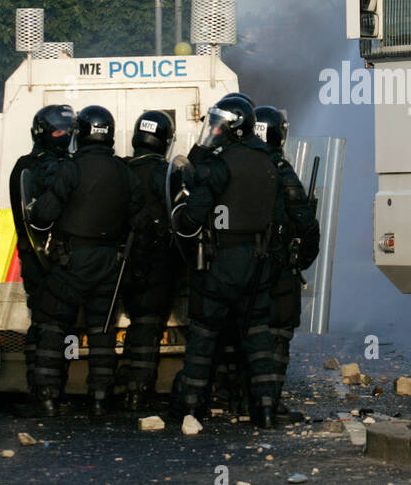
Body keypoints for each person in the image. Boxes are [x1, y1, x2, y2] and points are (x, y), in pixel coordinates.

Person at [170, 95, 283, 428]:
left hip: (221, 262)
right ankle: (264, 408)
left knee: (204, 336)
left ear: (233, 127)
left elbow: (193, 216)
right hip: (258, 261)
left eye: (220, 123)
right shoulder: (268, 163)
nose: (215, 129)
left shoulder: (221, 164)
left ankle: (191, 408)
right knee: (258, 337)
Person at [28, 105, 143, 417]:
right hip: (110, 262)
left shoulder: (71, 168)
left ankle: (50, 397)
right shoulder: (124, 171)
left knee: (54, 327)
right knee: (102, 333)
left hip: (72, 262)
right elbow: (139, 217)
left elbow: (43, 215)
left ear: (80, 134)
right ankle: (100, 397)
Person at [254, 106, 320, 417]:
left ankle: (242, 398)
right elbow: (307, 223)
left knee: (247, 334)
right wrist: (300, 262)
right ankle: (270, 403)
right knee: (278, 335)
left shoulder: (235, 164)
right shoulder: (281, 170)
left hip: (240, 267)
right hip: (279, 268)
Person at [10, 104, 75, 396]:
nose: (64, 136)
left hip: (34, 256)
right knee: (54, 324)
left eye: (68, 131)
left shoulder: (23, 166)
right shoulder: (50, 168)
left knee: (41, 321)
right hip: (48, 255)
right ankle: (50, 386)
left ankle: (36, 383)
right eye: (59, 131)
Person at [118, 110, 180, 411]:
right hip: (157, 261)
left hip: (121, 261)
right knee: (147, 326)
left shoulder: (122, 170)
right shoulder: (165, 174)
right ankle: (138, 389)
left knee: (125, 325)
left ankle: (118, 385)